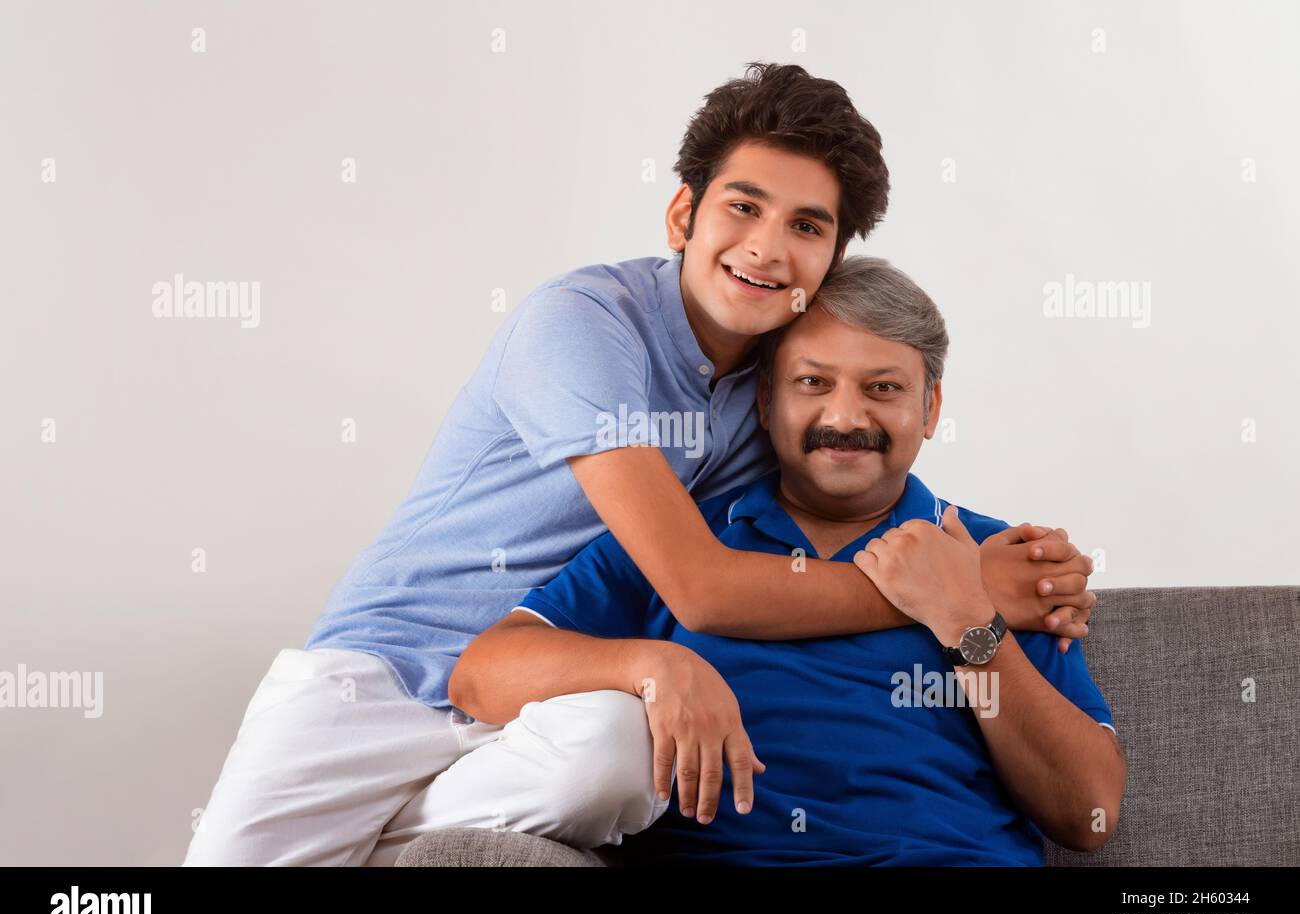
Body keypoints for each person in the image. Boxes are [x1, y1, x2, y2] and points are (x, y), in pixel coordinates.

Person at [184, 64, 1094, 867]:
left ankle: (382, 846)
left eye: (807, 225)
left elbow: (839, 496)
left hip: (563, 697)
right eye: (744, 206)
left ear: (832, 257)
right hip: (389, 681)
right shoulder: (583, 325)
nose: (769, 247)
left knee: (622, 752)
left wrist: (1006, 582)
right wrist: (958, 589)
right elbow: (698, 588)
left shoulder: (775, 398)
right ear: (683, 213)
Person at [453, 256, 1123, 865]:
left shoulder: (993, 559)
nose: (845, 415)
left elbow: (1088, 813)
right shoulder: (680, 545)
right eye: (813, 382)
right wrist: (649, 665)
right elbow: (481, 676)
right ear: (766, 403)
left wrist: (969, 617)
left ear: (930, 408)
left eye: (883, 388)